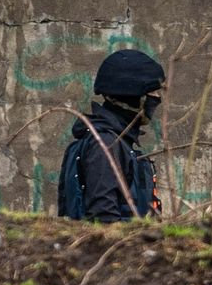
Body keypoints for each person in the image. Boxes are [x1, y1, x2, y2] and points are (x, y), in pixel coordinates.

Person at [57, 49, 165, 221]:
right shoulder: (105, 145)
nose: (157, 98)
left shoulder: (117, 141)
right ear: (133, 96)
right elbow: (104, 220)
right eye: (152, 92)